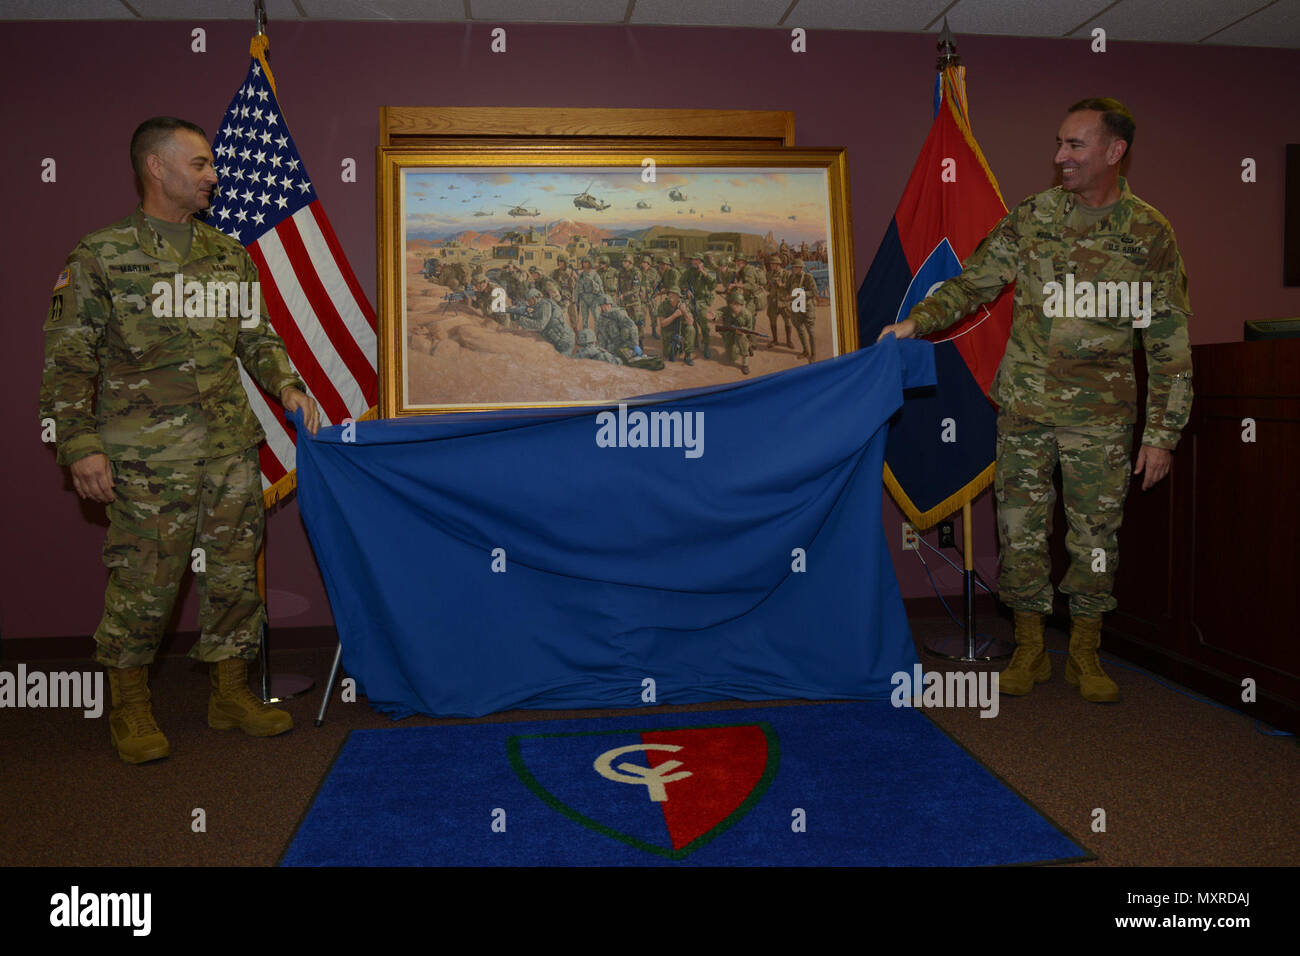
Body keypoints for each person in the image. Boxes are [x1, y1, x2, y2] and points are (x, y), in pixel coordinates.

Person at [877, 98, 1192, 703]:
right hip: (1024, 410)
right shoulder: (1035, 216)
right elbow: (975, 281)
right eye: (1060, 143)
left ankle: (1084, 651)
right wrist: (918, 321)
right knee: (1019, 532)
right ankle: (1028, 647)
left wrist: (1162, 433)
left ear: (1114, 152)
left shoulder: (1149, 232)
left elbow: (1168, 336)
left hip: (1101, 419)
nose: (1060, 156)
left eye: (1074, 145)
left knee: (1096, 539)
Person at [39, 117, 321, 763]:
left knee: (232, 580)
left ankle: (230, 694)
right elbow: (67, 361)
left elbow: (257, 336)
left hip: (227, 448)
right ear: (157, 168)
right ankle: (132, 708)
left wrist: (288, 386)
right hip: (144, 458)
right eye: (199, 164)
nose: (213, 176)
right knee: (146, 584)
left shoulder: (228, 254)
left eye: (211, 165)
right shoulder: (100, 255)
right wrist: (78, 444)